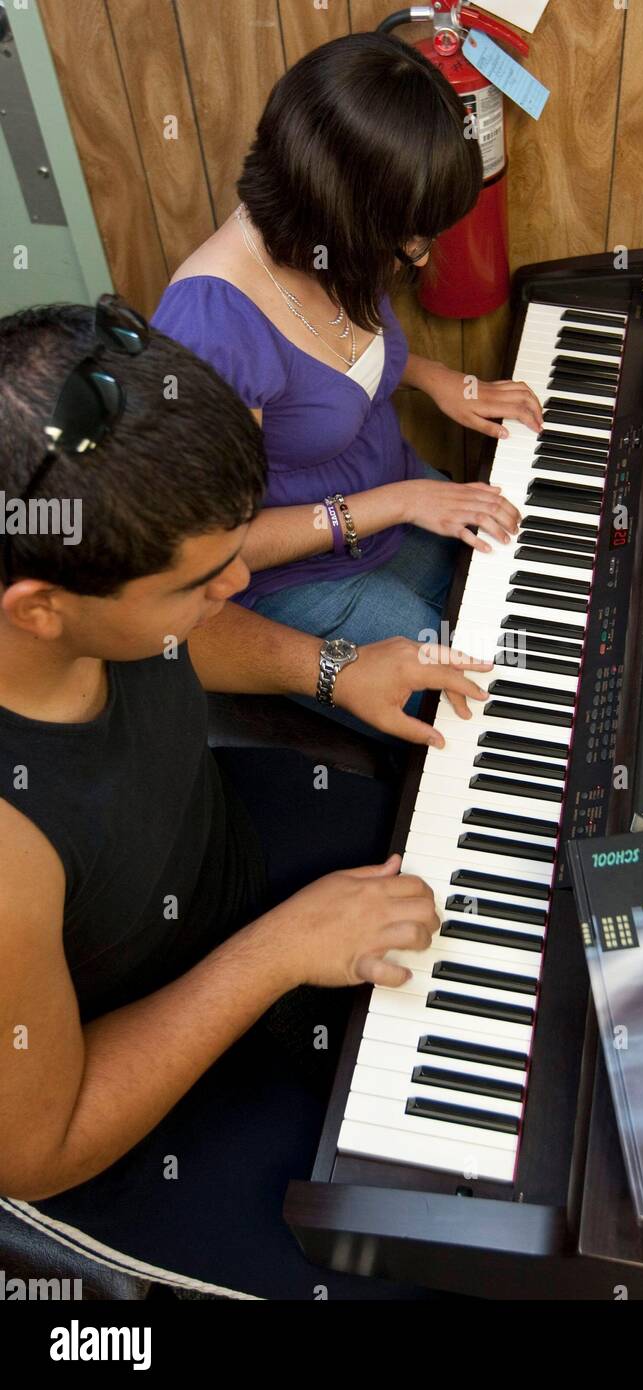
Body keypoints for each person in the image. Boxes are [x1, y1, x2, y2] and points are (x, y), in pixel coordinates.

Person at [0, 298, 493, 1299]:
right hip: (131, 1105)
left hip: (224, 864)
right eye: (197, 578)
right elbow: (40, 1146)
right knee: (447, 1262)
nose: (239, 580)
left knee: (508, 897)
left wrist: (328, 667)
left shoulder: (98, 604)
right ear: (40, 609)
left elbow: (176, 632)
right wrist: (276, 954)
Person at [151, 33, 541, 725]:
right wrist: (399, 502)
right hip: (288, 581)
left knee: (533, 596)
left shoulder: (328, 251)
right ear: (345, 217)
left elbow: (334, 365)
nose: (419, 258)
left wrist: (434, 377)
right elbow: (217, 549)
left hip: (394, 500)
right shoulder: (211, 327)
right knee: (489, 700)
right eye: (408, 237)